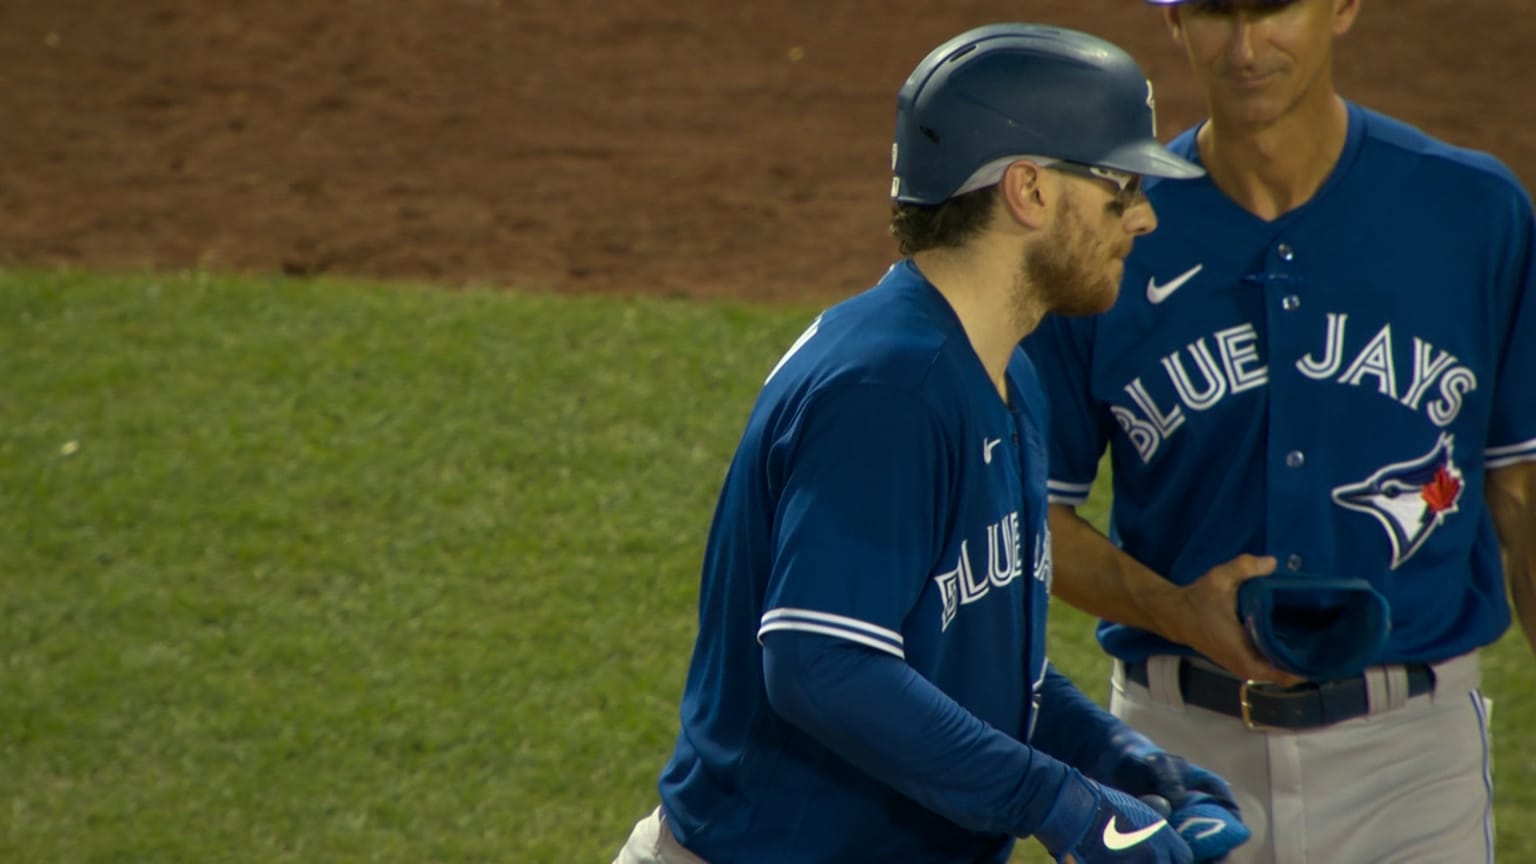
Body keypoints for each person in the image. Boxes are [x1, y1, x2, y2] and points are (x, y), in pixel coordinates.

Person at [613, 22, 1254, 864]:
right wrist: (1054, 800)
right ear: (1029, 190)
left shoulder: (1001, 372)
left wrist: (1112, 757)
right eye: (1120, 187)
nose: (1142, 217)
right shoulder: (891, 389)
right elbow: (821, 664)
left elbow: (963, 664)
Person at [1021, 1, 1536, 862]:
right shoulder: (1108, 232)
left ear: (1342, 7)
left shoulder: (1474, 213)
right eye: (1215, 11)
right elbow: (1030, 514)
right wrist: (1176, 611)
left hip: (1412, 766)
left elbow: (1521, 496)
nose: (1246, 46)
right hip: (1176, 755)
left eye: (1273, 8)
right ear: (1174, 22)